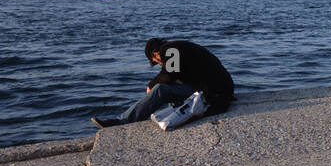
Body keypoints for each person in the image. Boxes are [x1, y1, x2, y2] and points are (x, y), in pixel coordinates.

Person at [92, 38, 236, 128]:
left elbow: (169, 74)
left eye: (157, 63)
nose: (161, 65)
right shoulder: (181, 48)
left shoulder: (169, 49)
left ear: (155, 54)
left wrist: (151, 85)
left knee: (161, 89)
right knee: (168, 88)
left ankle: (122, 121)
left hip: (214, 92)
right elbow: (177, 74)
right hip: (219, 88)